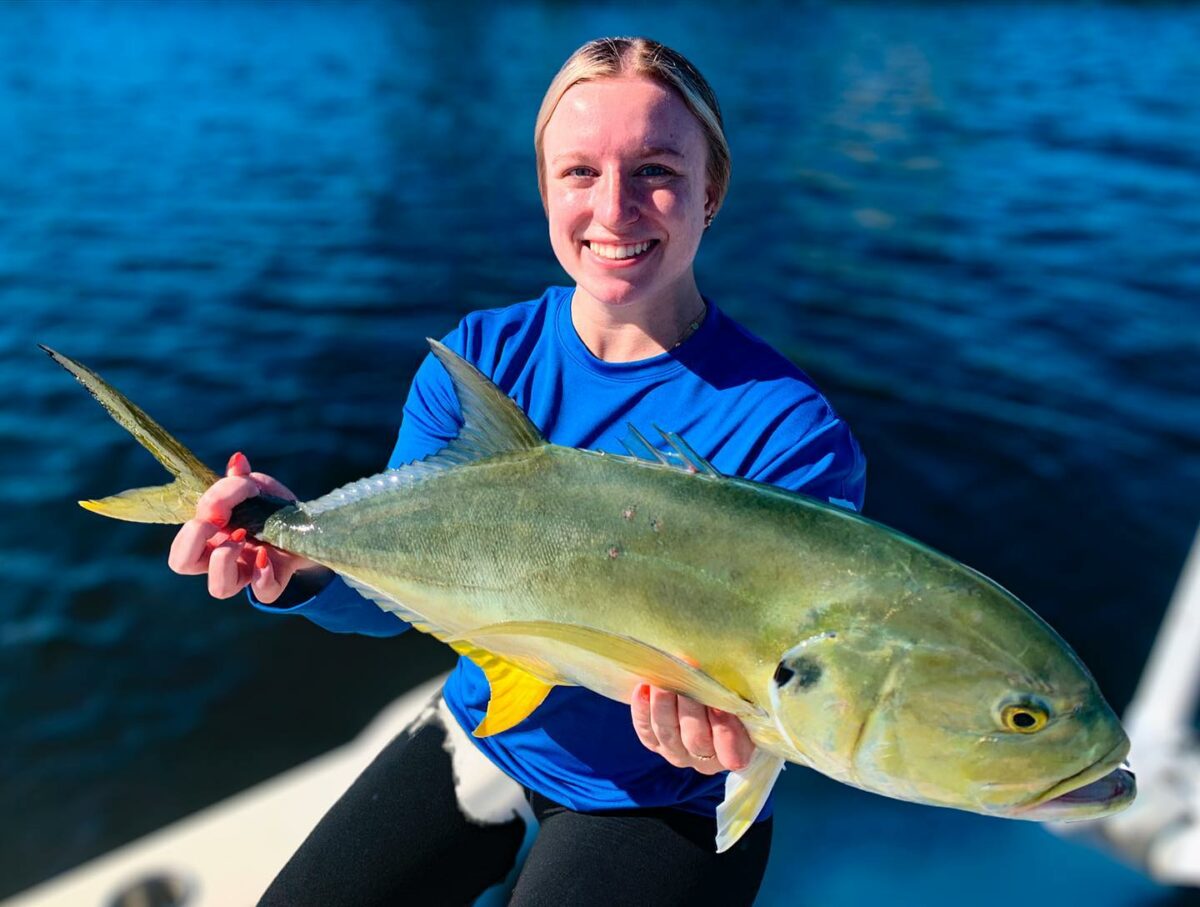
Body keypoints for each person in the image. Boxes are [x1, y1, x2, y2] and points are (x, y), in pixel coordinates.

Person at [169, 36, 865, 906]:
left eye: (655, 169)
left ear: (711, 190)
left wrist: (746, 733)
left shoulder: (787, 431)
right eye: (579, 172)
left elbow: (808, 681)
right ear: (544, 190)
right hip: (487, 728)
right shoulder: (479, 361)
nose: (614, 209)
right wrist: (296, 558)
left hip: (669, 800)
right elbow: (409, 594)